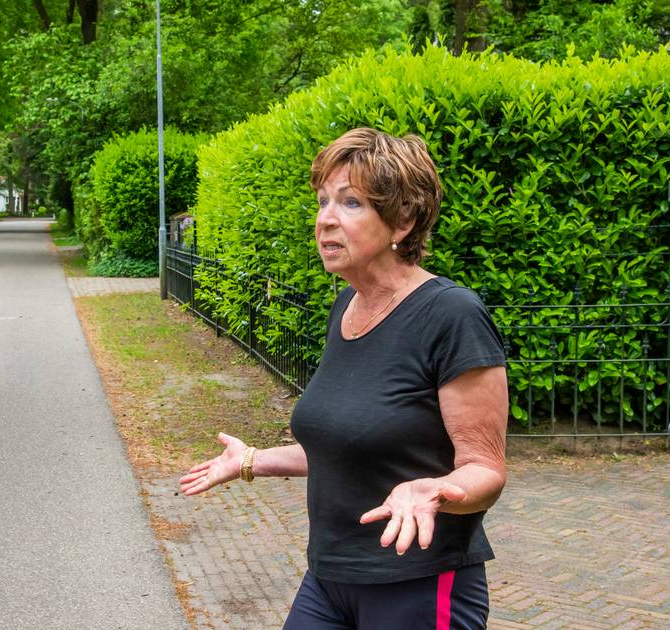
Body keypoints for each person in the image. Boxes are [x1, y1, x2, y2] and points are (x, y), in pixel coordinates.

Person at [179, 128, 509, 629]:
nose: (325, 219)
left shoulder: (451, 315)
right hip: (330, 578)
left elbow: (486, 469)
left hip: (418, 585)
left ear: (404, 218)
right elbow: (351, 441)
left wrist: (435, 491)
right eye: (323, 200)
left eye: (350, 202)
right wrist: (253, 461)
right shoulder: (347, 306)